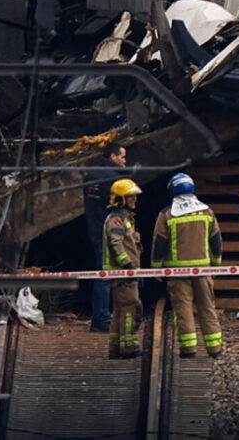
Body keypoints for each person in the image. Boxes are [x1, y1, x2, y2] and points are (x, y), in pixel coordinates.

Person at [152, 173, 224, 358]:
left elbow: (159, 243)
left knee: (183, 308)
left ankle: (188, 348)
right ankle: (215, 348)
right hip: (203, 269)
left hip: (177, 271)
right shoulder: (207, 211)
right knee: (207, 306)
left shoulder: (167, 214)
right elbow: (216, 240)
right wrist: (216, 263)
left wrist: (157, 267)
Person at [84, 142, 127, 332]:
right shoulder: (114, 179)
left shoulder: (90, 176)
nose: (125, 161)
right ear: (113, 157)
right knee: (107, 274)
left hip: (94, 229)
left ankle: (102, 315)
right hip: (109, 232)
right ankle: (102, 318)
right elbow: (119, 207)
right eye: (123, 157)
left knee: (102, 272)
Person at [102, 179, 143, 358]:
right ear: (120, 199)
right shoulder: (117, 219)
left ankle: (116, 347)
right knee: (130, 308)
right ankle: (129, 347)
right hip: (123, 273)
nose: (134, 199)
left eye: (134, 196)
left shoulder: (123, 218)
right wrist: (127, 265)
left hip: (123, 272)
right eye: (130, 196)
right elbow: (115, 244)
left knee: (119, 310)